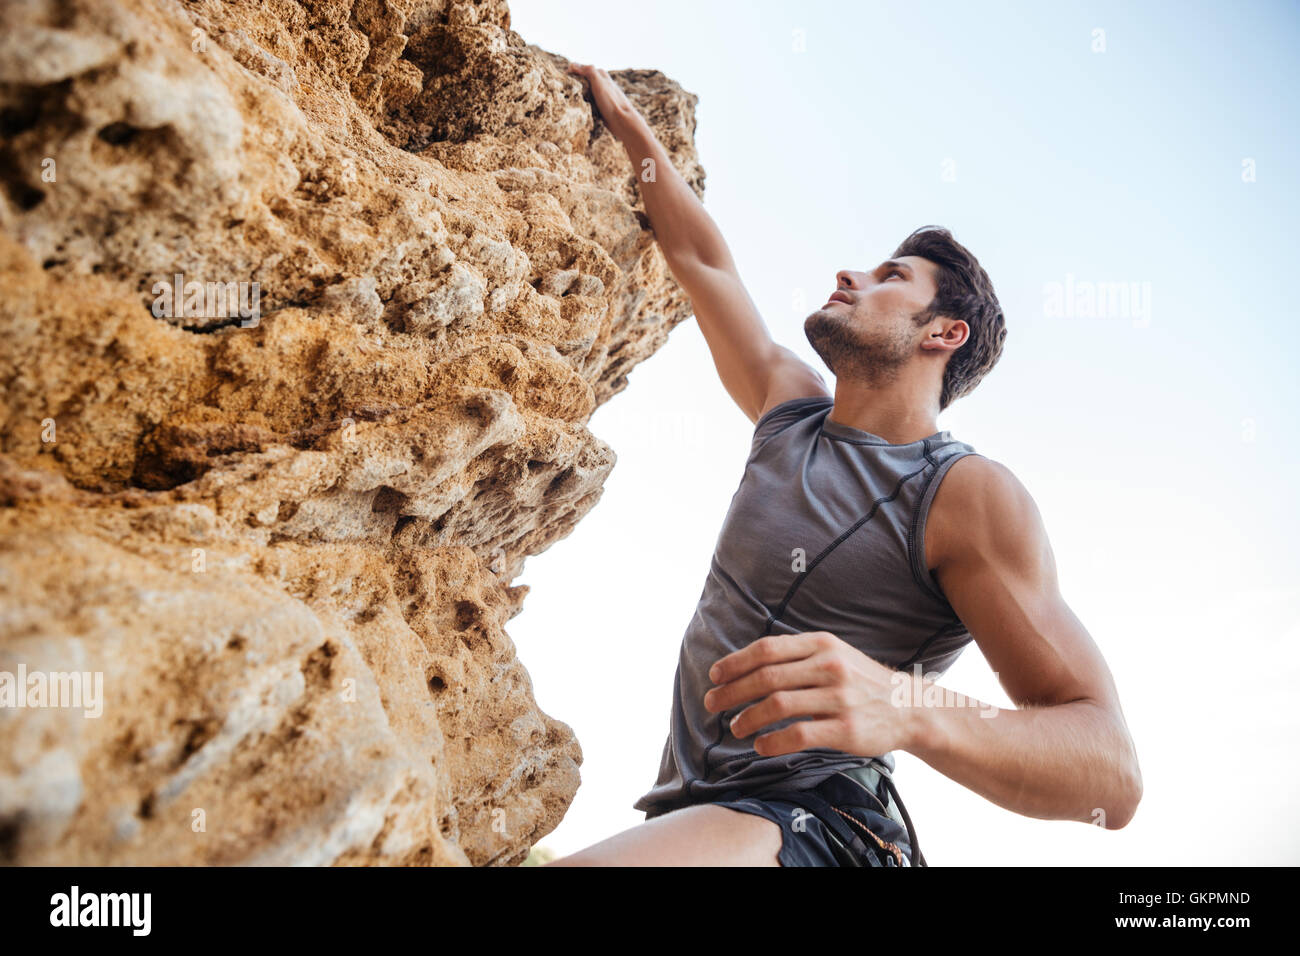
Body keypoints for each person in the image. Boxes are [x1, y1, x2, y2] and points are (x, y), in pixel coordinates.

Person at [545, 64, 1142, 867]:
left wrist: (903, 704)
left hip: (826, 828)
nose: (849, 274)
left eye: (891, 276)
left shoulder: (964, 495)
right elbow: (704, 262)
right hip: (693, 812)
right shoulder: (789, 410)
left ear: (944, 333)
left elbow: (1111, 773)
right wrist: (627, 124)